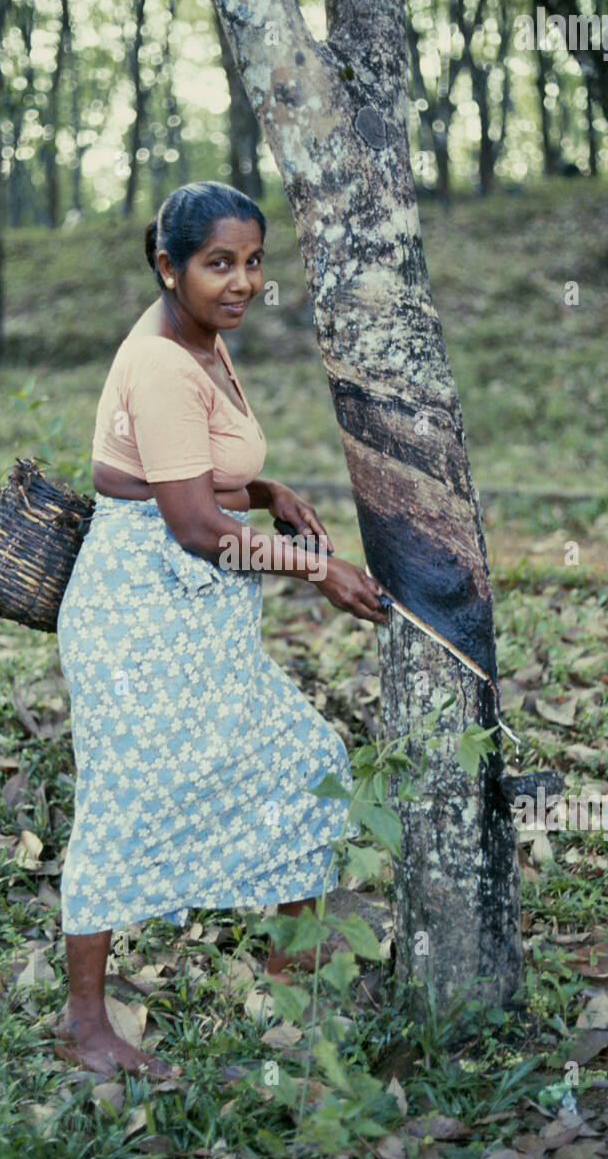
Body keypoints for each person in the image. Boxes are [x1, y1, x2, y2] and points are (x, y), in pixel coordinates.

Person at [55, 180, 388, 1079]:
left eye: (251, 263)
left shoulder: (197, 341)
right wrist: (318, 569)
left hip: (194, 617)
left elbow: (207, 478)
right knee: (124, 805)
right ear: (169, 267)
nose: (241, 282)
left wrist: (271, 492)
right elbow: (197, 530)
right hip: (142, 614)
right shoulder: (163, 364)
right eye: (217, 265)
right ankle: (85, 1024)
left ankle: (291, 959)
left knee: (301, 756)